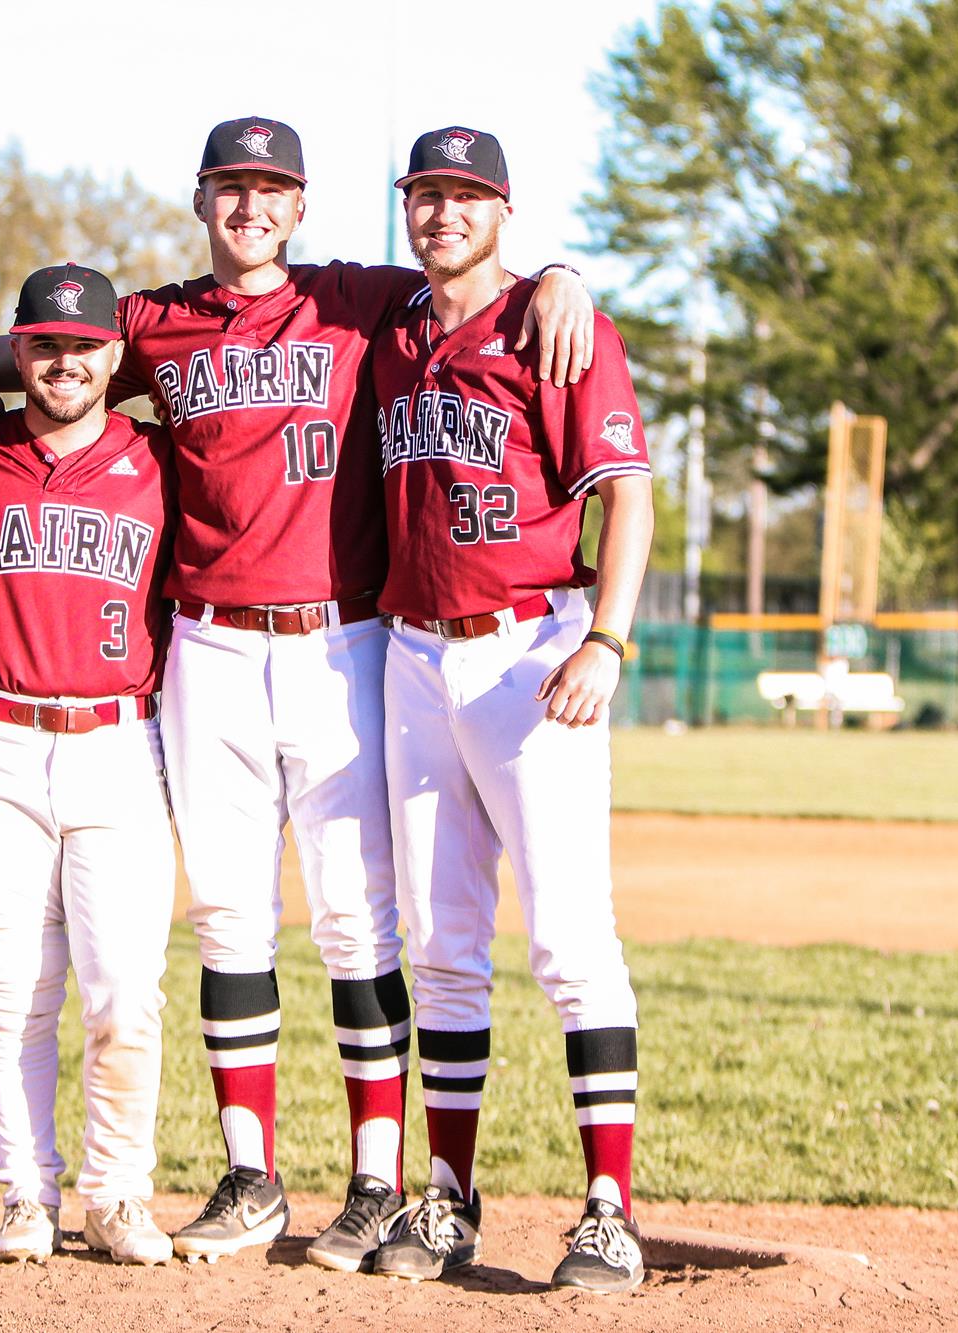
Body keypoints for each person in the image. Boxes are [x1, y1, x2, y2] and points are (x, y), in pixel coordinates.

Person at [0, 115, 595, 1273]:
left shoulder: (357, 301)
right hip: (207, 646)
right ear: (201, 200)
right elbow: (35, 349)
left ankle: (374, 1183)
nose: (250, 206)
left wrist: (563, 276)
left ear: (299, 205)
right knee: (230, 915)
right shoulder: (153, 320)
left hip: (340, 641)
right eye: (230, 186)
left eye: (271, 187)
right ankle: (248, 1174)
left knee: (354, 917)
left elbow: (476, 283)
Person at [366, 127, 654, 1294]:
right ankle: (447, 1197)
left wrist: (606, 637)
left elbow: (626, 494)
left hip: (532, 648)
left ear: (502, 210)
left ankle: (608, 1207)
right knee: (440, 947)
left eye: (463, 197)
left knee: (568, 940)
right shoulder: (388, 332)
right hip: (410, 659)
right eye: (424, 196)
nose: (441, 214)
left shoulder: (553, 325)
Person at [0, 264, 179, 1267]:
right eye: (42, 344)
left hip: (119, 740)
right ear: (16, 349)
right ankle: (24, 1195)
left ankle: (117, 1190)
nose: (63, 362)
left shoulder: (160, 457)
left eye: (84, 344)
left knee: (123, 990)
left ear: (114, 355)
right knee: (10, 991)